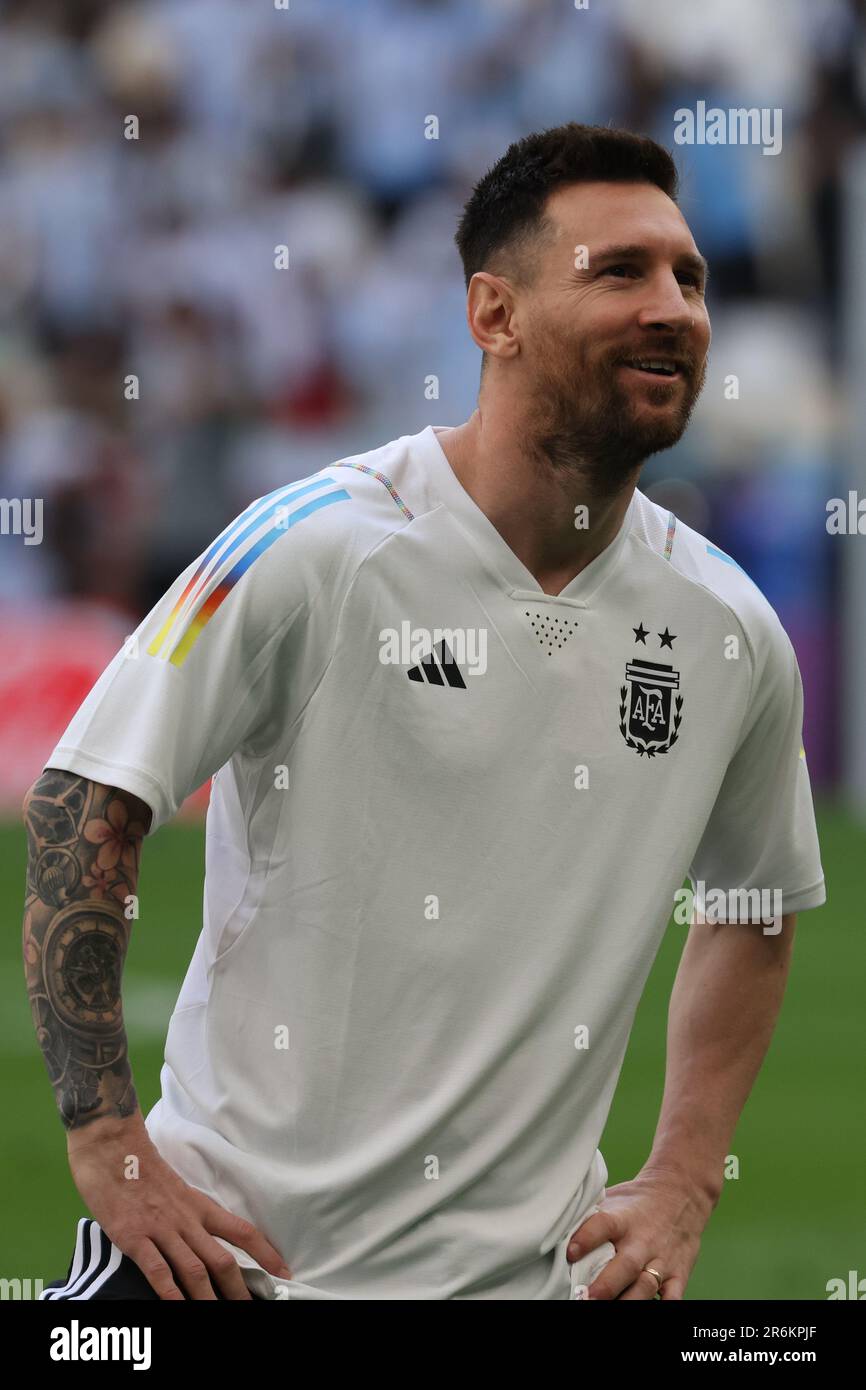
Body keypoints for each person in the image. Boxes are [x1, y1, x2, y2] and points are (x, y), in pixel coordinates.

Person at [24, 123, 826, 1301]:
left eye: (688, 278)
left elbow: (753, 900)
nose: (673, 308)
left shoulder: (729, 628)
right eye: (619, 272)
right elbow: (83, 798)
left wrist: (683, 1175)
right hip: (228, 1275)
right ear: (492, 315)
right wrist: (107, 1143)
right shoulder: (314, 546)